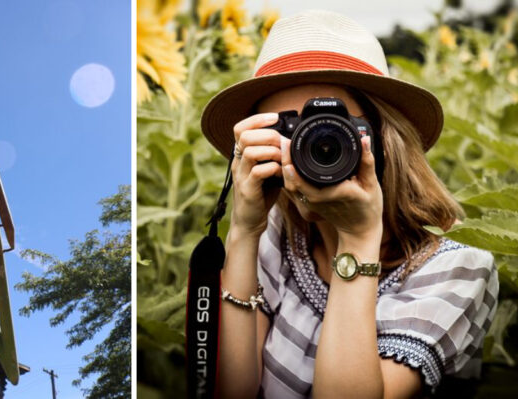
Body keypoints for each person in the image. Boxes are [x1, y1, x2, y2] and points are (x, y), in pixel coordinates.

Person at [199, 10, 498, 399]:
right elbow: (231, 391)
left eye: (330, 127)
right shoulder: (279, 231)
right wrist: (243, 229)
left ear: (384, 138)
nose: (312, 147)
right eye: (289, 129)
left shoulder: (459, 270)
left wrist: (358, 238)